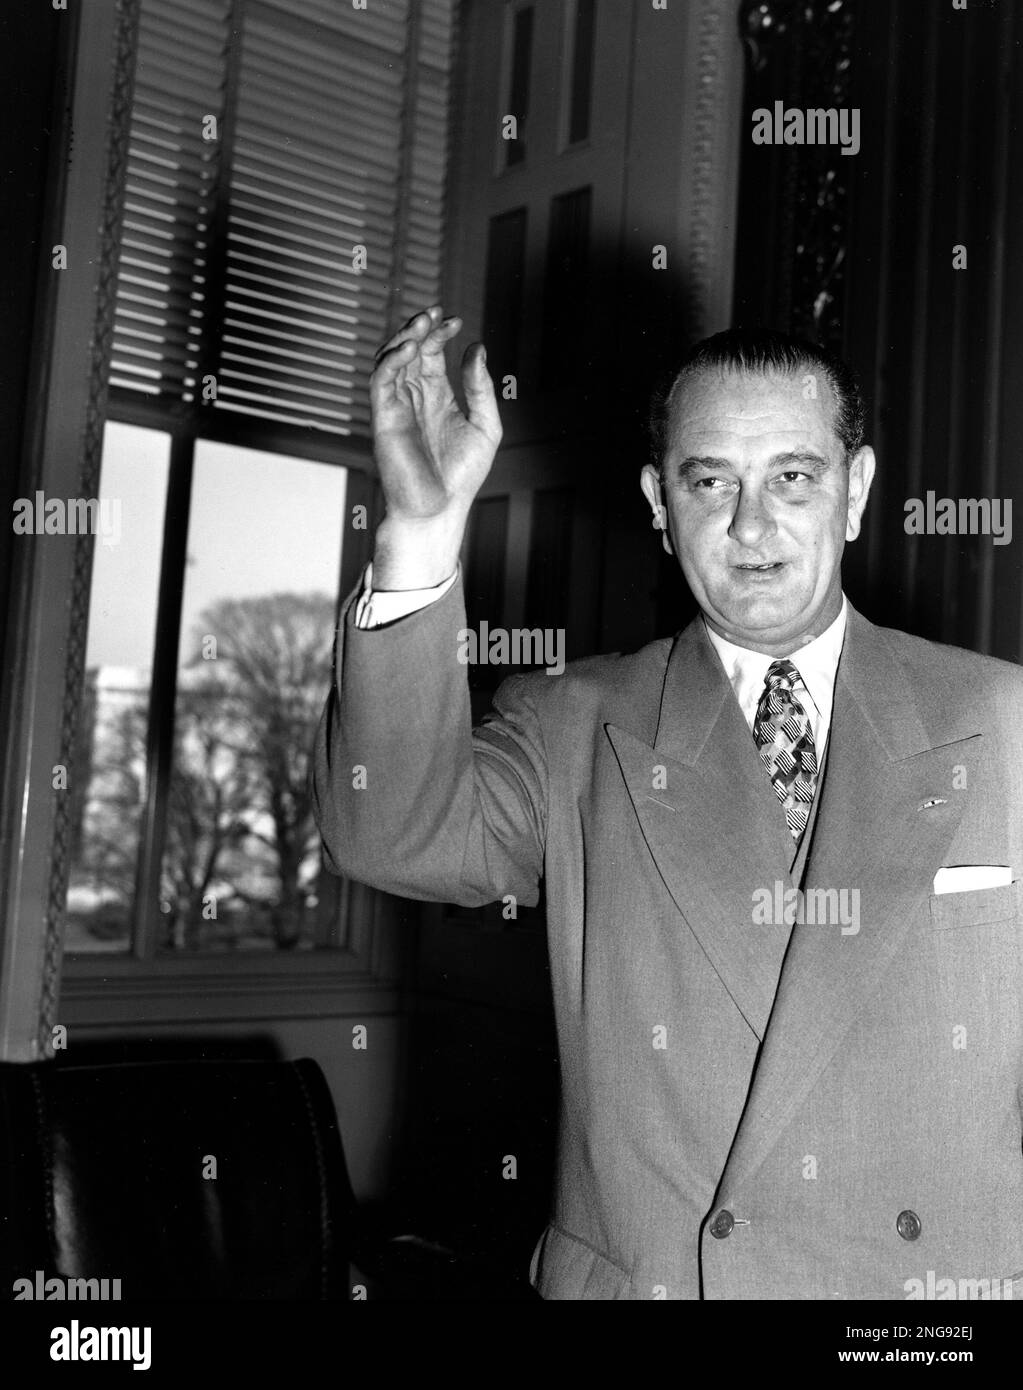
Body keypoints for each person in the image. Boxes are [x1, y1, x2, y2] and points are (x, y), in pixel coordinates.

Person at [313, 304, 1023, 1300]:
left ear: (855, 491)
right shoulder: (578, 722)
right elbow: (391, 835)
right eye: (709, 481)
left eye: (793, 476)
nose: (750, 525)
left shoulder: (1002, 716)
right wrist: (423, 531)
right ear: (658, 501)